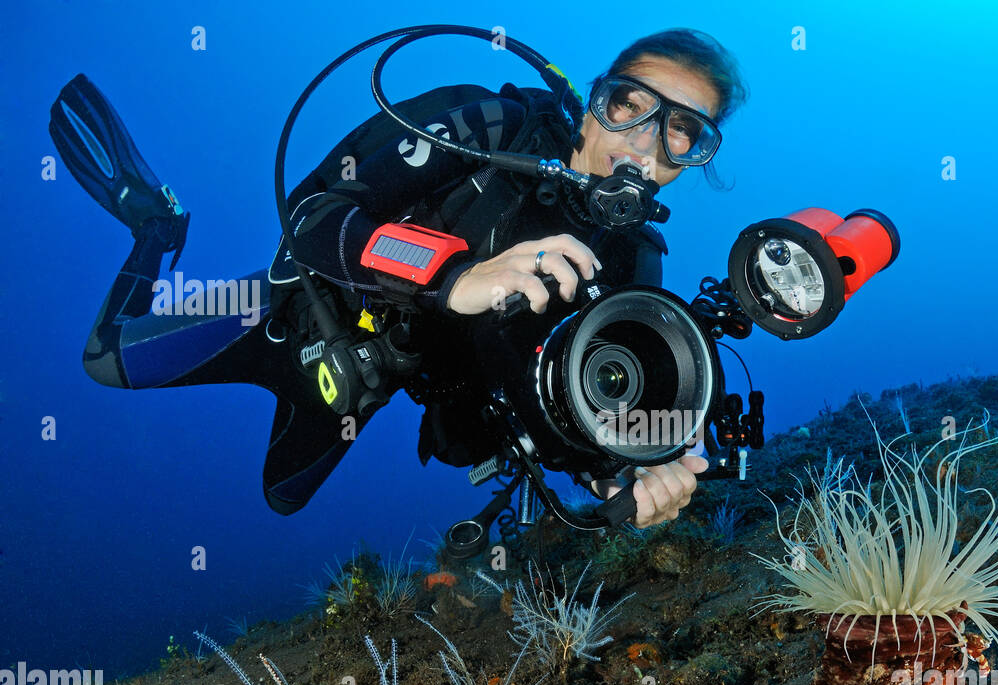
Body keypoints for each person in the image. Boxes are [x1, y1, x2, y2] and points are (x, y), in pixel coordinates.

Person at [49, 28, 746, 527]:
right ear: (596, 100)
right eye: (630, 104)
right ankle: (157, 230)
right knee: (102, 359)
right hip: (300, 311)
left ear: (692, 160)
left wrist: (624, 466)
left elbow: (568, 408)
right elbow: (315, 213)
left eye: (684, 130)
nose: (644, 142)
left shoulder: (631, 264)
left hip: (365, 379)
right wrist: (456, 274)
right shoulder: (485, 127)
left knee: (282, 498)